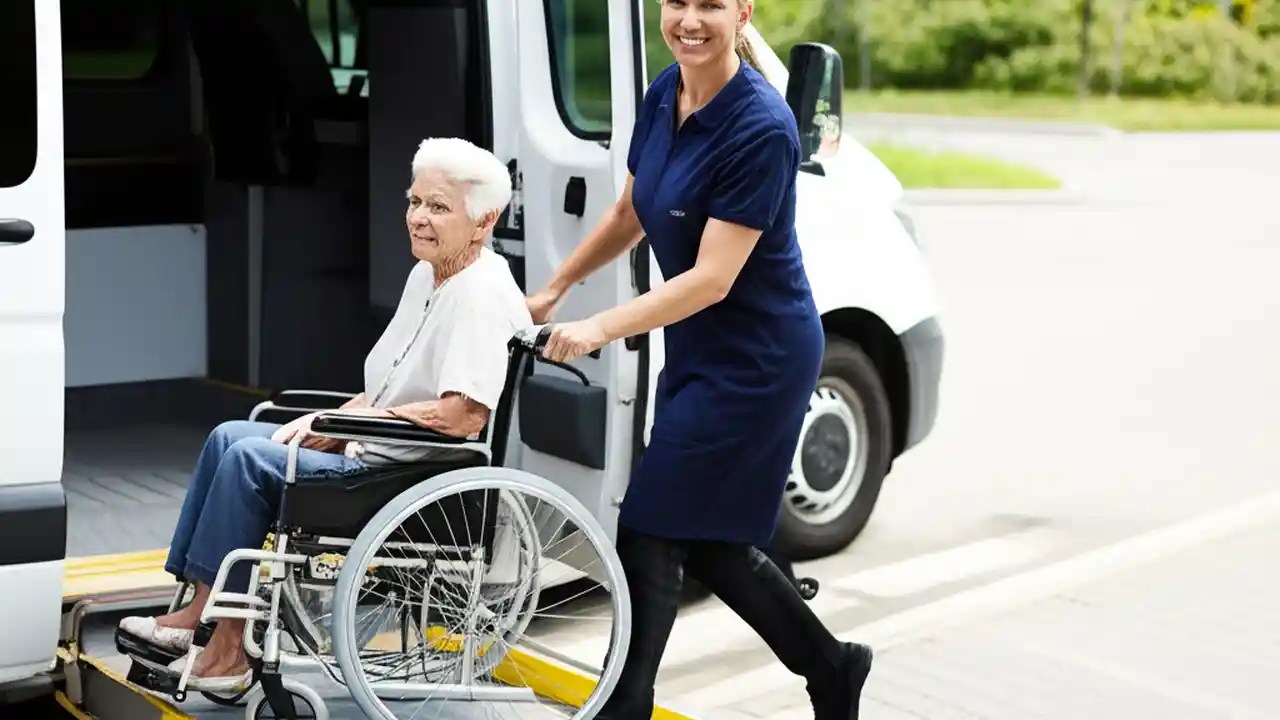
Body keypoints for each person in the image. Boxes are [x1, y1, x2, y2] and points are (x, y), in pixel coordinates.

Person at [526, 1, 872, 718]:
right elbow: (630, 212)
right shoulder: (665, 91)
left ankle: (625, 703)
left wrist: (597, 329)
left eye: (710, 4)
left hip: (758, 357)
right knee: (712, 545)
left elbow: (713, 279)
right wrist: (555, 289)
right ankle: (832, 667)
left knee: (651, 527)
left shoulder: (762, 128)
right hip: (698, 345)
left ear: (743, 11)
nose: (689, 19)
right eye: (677, 2)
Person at [116, 137, 532, 692]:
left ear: (484, 221)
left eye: (438, 207)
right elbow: (387, 386)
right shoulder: (429, 275)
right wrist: (331, 420)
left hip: (408, 476)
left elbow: (462, 417)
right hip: (374, 449)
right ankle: (198, 611)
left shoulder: (479, 294)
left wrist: (338, 429)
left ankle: (227, 648)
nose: (417, 218)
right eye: (414, 202)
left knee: (249, 461)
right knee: (228, 437)